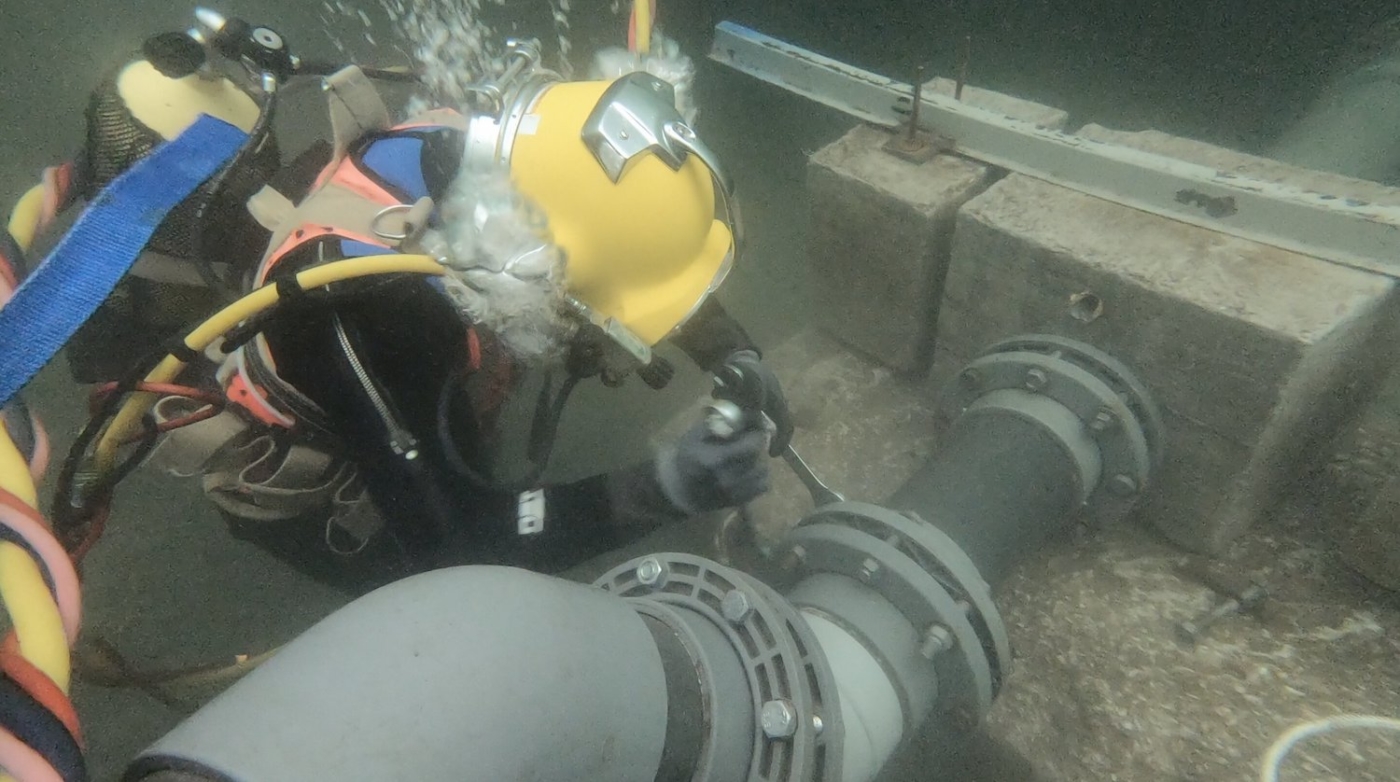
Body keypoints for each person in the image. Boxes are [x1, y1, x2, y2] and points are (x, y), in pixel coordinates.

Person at [121, 31, 794, 593]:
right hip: (335, 497)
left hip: (424, 382)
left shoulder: (506, 152)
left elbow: (620, 235)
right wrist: (659, 489)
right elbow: (462, 547)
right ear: (534, 268)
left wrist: (728, 350)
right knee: (448, 599)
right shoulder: (363, 319)